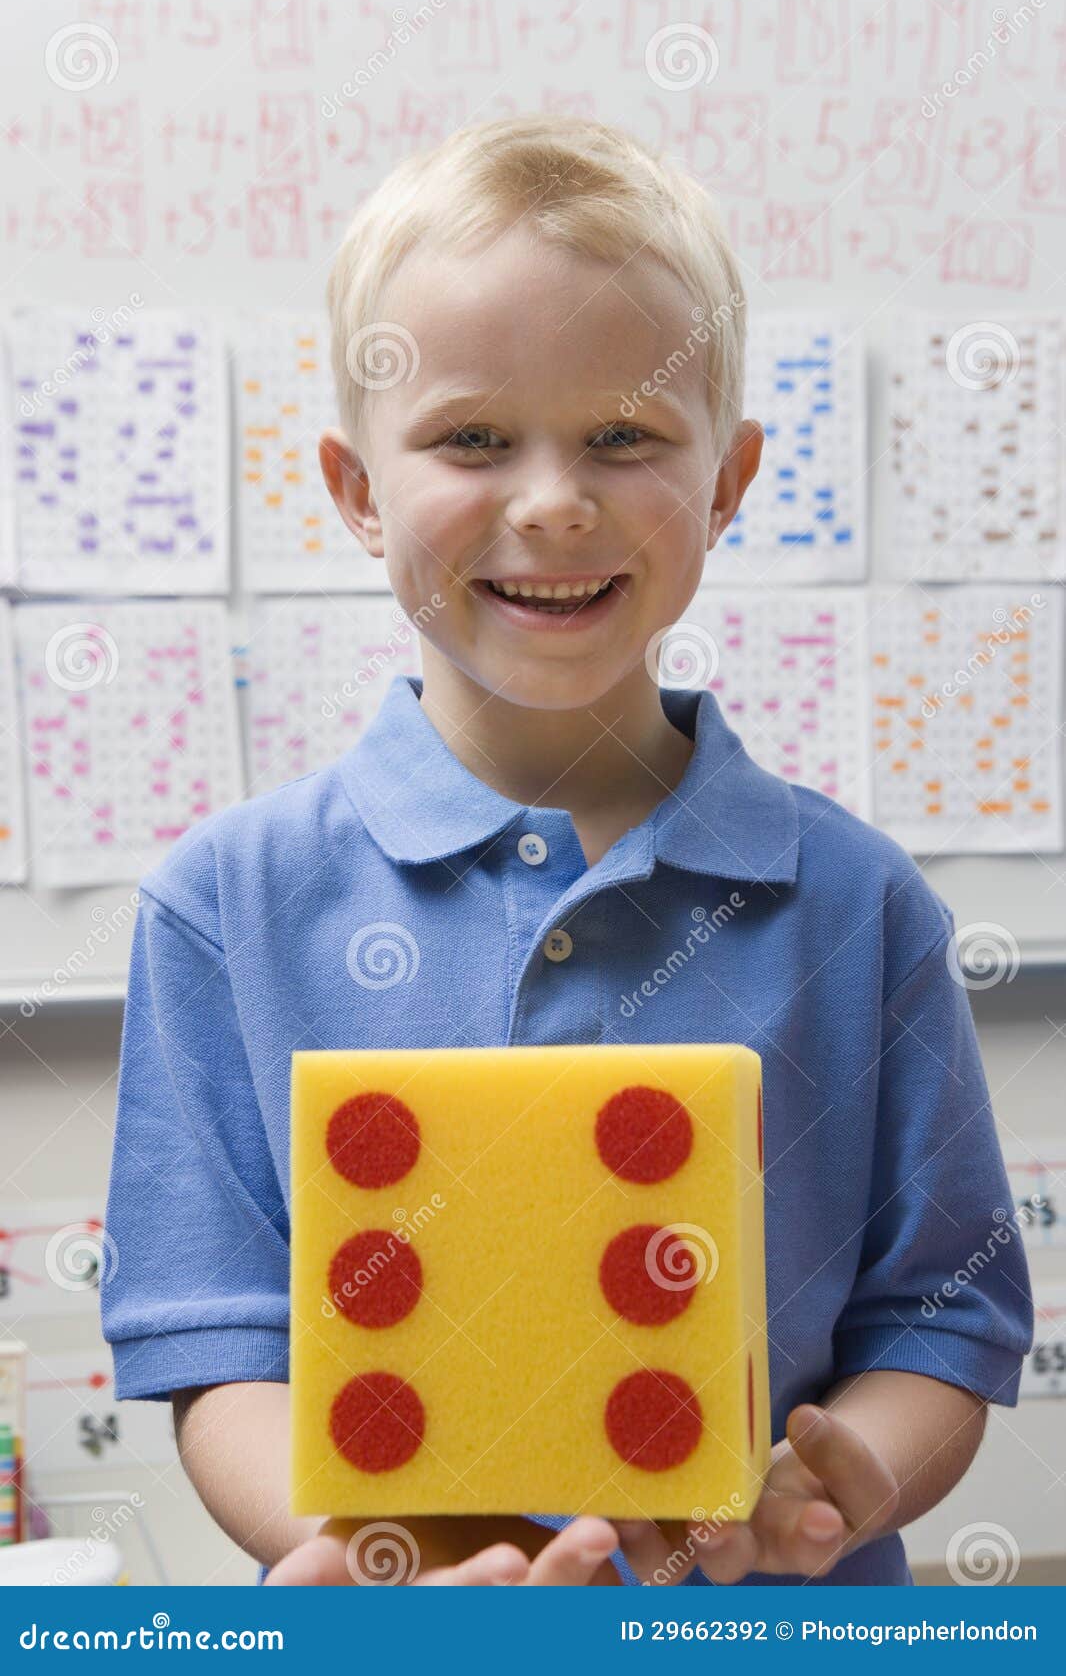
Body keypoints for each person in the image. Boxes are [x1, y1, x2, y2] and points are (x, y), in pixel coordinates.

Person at [101, 114, 1033, 1588]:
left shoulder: (859, 904)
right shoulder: (226, 903)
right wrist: (360, 1548)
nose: (549, 500)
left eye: (622, 437)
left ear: (724, 484)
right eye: (472, 437)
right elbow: (218, 1346)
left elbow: (944, 1318)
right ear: (355, 489)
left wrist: (845, 1473)